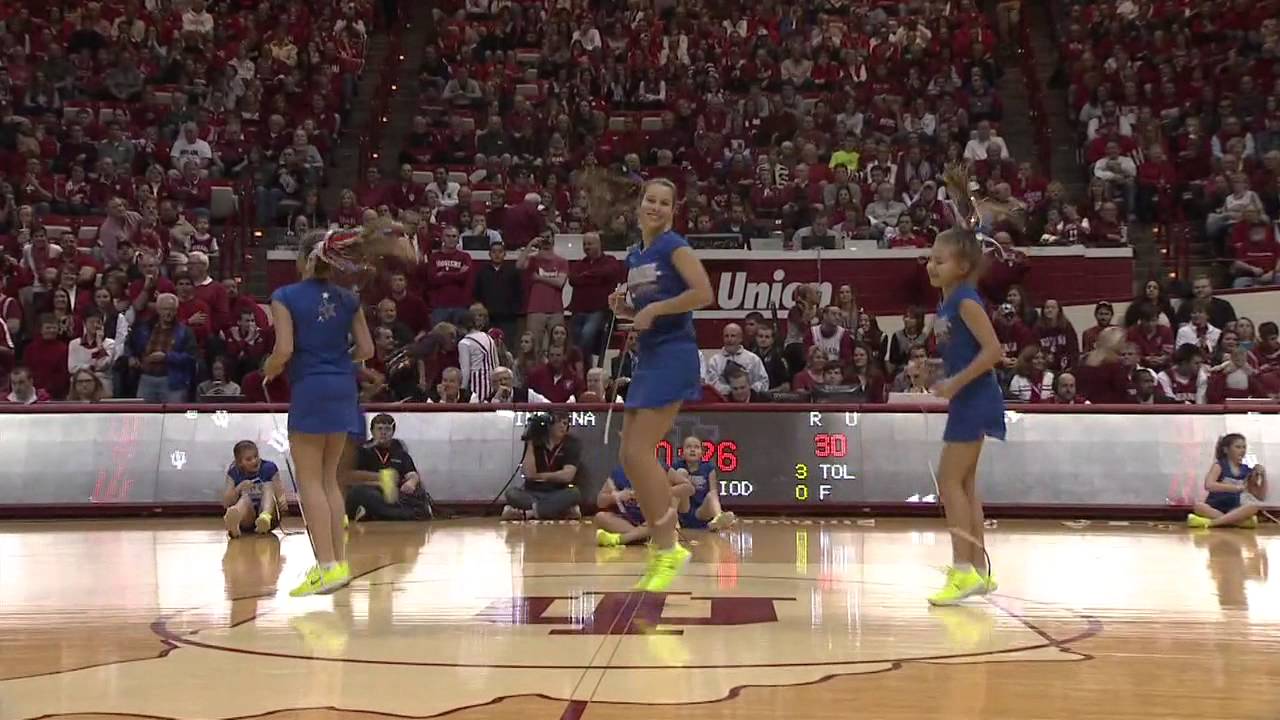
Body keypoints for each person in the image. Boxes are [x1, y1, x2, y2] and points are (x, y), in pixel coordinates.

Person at [263, 224, 410, 597]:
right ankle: (337, 565)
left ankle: (326, 567)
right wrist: (338, 360)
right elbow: (367, 350)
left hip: (310, 389)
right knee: (330, 480)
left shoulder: (284, 296)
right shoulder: (348, 299)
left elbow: (284, 349)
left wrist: (270, 369)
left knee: (311, 481)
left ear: (304, 259)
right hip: (344, 387)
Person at [602, 174, 714, 592]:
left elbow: (703, 293)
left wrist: (656, 310)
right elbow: (646, 311)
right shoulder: (636, 255)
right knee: (629, 456)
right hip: (648, 355)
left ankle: (668, 546)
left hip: (673, 355)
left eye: (664, 202)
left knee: (637, 450)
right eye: (650, 200)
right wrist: (627, 310)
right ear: (640, 205)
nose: (655, 207)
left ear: (673, 210)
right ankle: (663, 545)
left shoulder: (674, 246)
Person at [923, 167, 1004, 606]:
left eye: (940, 260)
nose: (931, 265)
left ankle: (961, 571)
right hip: (969, 397)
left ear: (963, 266)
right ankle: (978, 571)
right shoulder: (949, 301)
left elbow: (994, 351)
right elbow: (966, 351)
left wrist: (954, 382)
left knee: (949, 482)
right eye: (930, 258)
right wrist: (938, 371)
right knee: (966, 485)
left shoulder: (967, 301)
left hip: (976, 398)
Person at [346, 413, 432, 522]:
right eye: (379, 429)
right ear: (372, 432)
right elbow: (351, 477)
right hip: (372, 490)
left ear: (393, 432)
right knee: (361, 493)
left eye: (387, 429)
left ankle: (373, 513)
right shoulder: (363, 450)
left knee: (418, 492)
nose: (383, 432)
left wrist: (411, 483)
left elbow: (412, 474)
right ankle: (408, 514)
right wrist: (379, 482)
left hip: (395, 493)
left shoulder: (400, 452)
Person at [501, 411, 583, 520]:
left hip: (557, 492)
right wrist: (530, 442)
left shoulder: (572, 443)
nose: (563, 426)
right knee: (511, 493)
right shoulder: (536, 441)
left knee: (574, 493)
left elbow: (567, 476)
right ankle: (560, 511)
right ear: (549, 424)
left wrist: (541, 476)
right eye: (559, 422)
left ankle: (528, 513)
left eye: (565, 423)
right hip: (533, 492)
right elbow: (528, 474)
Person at [1187, 433, 1267, 529]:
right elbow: (1209, 485)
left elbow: (1260, 496)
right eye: (1238, 447)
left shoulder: (1247, 469)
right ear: (1226, 450)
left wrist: (1263, 476)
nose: (1242, 450)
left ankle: (1211, 523)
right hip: (1215, 506)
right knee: (1199, 506)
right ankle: (1237, 522)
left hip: (1235, 508)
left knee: (1253, 507)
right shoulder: (1219, 465)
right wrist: (1235, 488)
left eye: (1244, 447)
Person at [669, 435, 737, 531]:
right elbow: (671, 493)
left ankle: (718, 518)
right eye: (688, 447)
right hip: (683, 511)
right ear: (682, 452)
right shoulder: (676, 466)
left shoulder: (709, 468)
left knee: (711, 495)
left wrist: (717, 509)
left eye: (696, 447)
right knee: (681, 472)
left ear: (702, 453)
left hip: (701, 513)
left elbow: (713, 492)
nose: (692, 450)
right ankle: (672, 520)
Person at [221, 440, 286, 538]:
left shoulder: (269, 467)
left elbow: (279, 491)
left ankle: (264, 517)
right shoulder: (234, 472)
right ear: (240, 463)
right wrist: (239, 487)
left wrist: (282, 501)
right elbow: (226, 502)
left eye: (256, 456)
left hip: (270, 516)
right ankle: (234, 521)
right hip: (247, 519)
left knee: (268, 485)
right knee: (244, 498)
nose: (254, 461)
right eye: (248, 459)